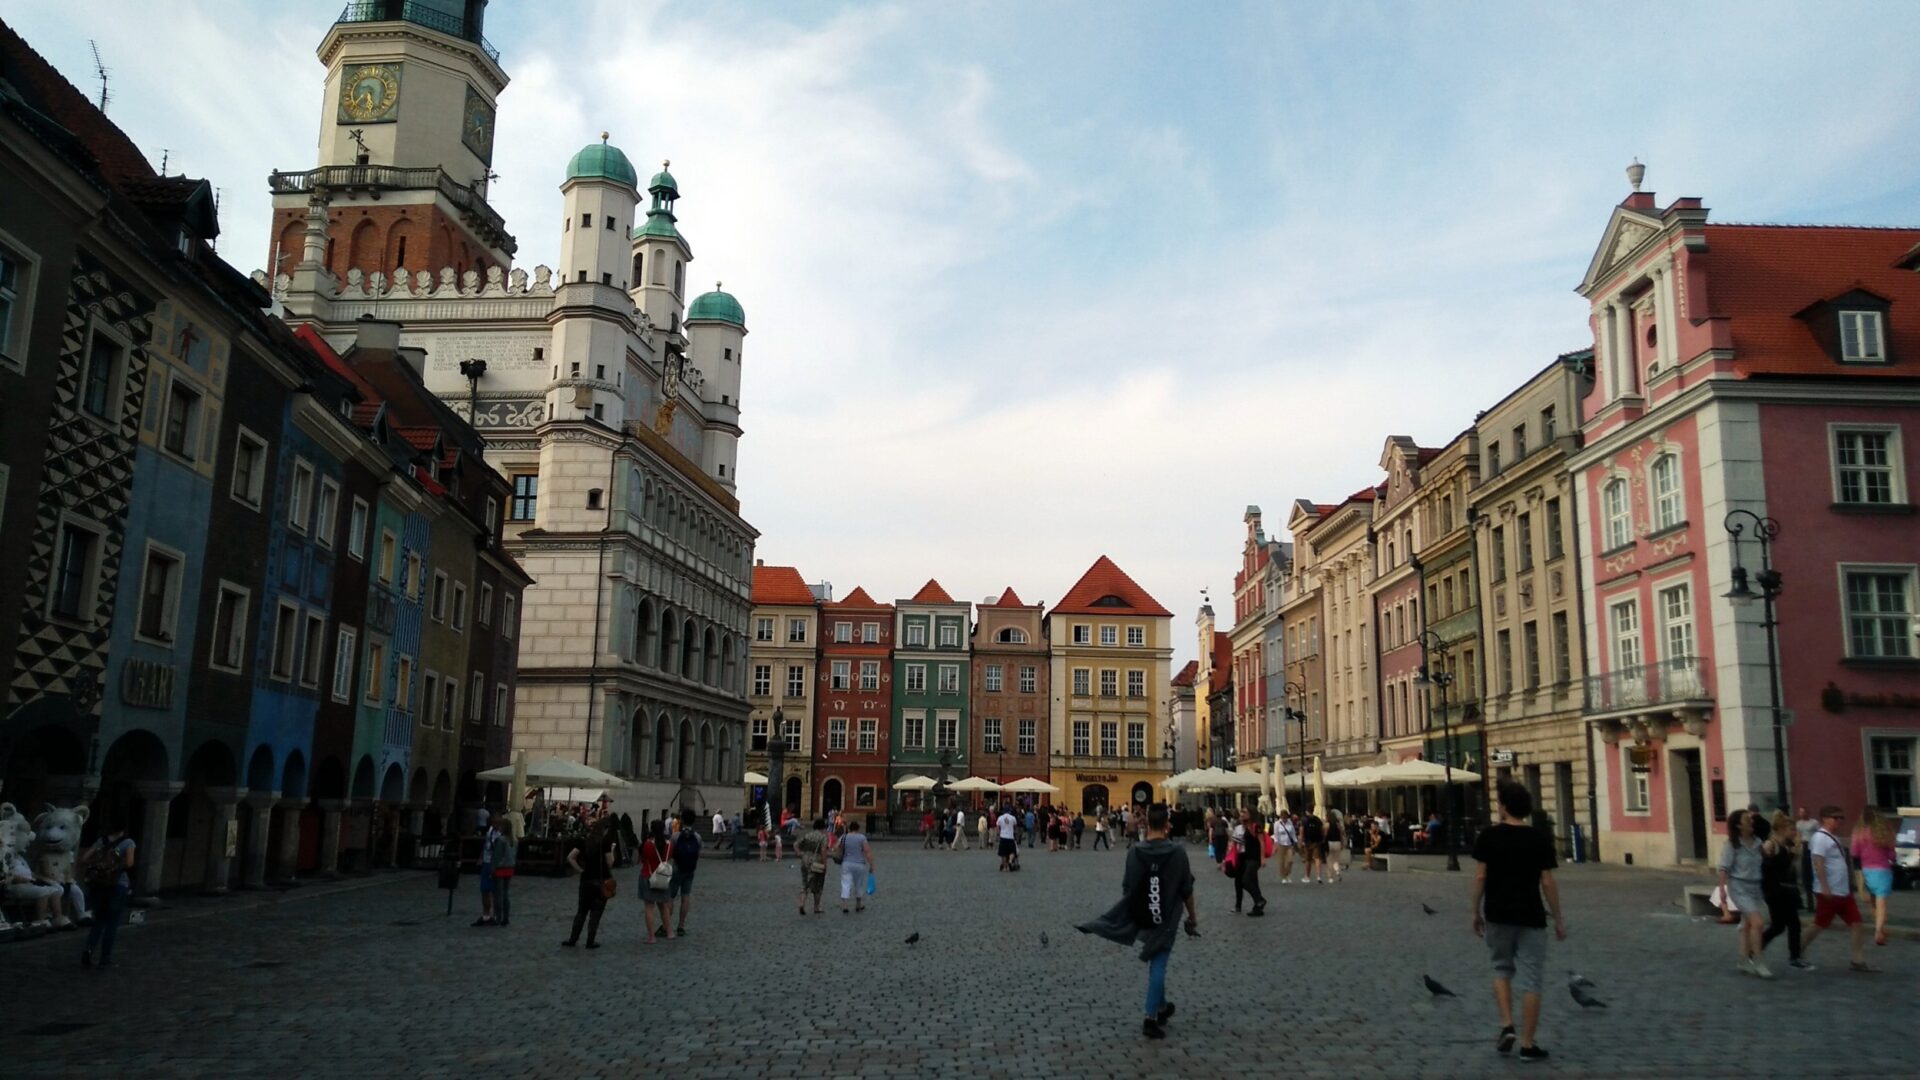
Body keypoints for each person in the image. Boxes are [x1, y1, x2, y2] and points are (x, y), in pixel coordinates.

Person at [1075, 804, 1198, 1040]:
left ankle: (1161, 1007)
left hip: (1144, 913)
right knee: (1159, 961)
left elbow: (1127, 888)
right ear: (1167, 824)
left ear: (1145, 823)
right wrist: (1192, 917)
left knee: (1155, 958)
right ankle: (1150, 1017)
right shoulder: (1178, 853)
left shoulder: (1134, 852)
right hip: (1168, 915)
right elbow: (1187, 889)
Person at [1470, 781, 1566, 1064]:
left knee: (1501, 968)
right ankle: (1527, 1044)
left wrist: (1475, 911)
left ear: (1503, 806)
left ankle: (1507, 1024)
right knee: (1532, 978)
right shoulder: (1538, 838)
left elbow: (1480, 877)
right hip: (1531, 916)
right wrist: (1558, 916)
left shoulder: (1488, 836)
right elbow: (1547, 881)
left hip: (1498, 914)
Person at [1801, 805, 1871, 972]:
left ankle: (1857, 959)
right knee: (1819, 924)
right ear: (1825, 818)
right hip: (1829, 891)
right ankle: (1798, 950)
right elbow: (1818, 861)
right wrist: (1825, 886)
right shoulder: (1820, 838)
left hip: (1843, 891)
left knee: (1856, 923)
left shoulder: (1834, 837)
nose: (1839, 821)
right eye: (1836, 817)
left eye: (1841, 818)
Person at [1717, 809, 1771, 978]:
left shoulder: (1757, 842)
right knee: (1758, 923)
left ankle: (1742, 960)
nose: (1751, 821)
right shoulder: (1732, 845)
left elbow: (1766, 859)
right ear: (1739, 825)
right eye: (1747, 819)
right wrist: (1722, 891)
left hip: (1755, 887)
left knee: (1746, 925)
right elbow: (1723, 868)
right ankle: (1759, 961)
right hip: (1739, 887)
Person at [77, 819, 136, 968]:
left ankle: (88, 950)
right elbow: (129, 863)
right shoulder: (128, 842)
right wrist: (114, 865)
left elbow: (84, 859)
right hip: (118, 884)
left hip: (99, 885)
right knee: (112, 922)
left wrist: (98, 865)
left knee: (99, 920)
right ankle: (105, 958)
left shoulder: (101, 841)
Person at [1758, 810, 1809, 970]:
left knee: (1783, 925)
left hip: (1786, 890)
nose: (1794, 833)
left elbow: (1787, 867)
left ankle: (1757, 949)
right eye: (1792, 830)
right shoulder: (1771, 845)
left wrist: (1795, 851)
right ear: (1782, 829)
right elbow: (1767, 867)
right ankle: (1792, 956)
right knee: (1786, 924)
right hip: (1775, 891)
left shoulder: (1786, 846)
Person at [561, 819, 615, 949]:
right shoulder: (605, 843)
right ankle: (590, 941)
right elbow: (610, 863)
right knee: (596, 914)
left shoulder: (584, 841)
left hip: (586, 880)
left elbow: (570, 857)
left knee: (581, 912)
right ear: (604, 830)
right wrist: (612, 850)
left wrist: (580, 870)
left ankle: (573, 939)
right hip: (601, 881)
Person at [1852, 806, 1897, 948]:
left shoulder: (1859, 833)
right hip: (1883, 870)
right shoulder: (1884, 832)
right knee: (1881, 902)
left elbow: (1855, 854)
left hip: (1867, 870)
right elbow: (1892, 855)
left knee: (1873, 902)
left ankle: (1881, 928)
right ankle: (1878, 931)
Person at [638, 820, 674, 942]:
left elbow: (643, 859)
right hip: (662, 876)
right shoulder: (669, 844)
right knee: (663, 905)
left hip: (648, 875)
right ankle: (669, 932)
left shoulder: (648, 844)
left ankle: (651, 936)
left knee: (649, 907)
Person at [670, 810, 702, 937]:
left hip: (677, 868)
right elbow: (698, 854)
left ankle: (666, 924)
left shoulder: (675, 836)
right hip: (690, 870)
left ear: (682, 820)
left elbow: (670, 853)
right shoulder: (698, 837)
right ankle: (681, 925)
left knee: (670, 897)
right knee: (685, 897)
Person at [1233, 809, 1267, 917]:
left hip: (1255, 858)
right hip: (1247, 857)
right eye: (1241, 812)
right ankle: (1258, 907)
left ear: (1251, 814)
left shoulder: (1256, 826)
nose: (1242, 814)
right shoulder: (1246, 826)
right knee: (1253, 882)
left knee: (1246, 881)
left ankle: (1260, 900)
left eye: (1244, 812)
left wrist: (1262, 858)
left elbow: (1261, 842)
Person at [838, 819, 873, 914]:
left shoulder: (844, 837)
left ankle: (845, 905)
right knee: (859, 884)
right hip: (859, 863)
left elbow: (838, 847)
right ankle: (858, 904)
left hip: (847, 863)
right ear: (858, 828)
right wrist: (871, 864)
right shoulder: (862, 837)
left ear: (849, 828)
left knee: (845, 883)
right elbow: (867, 851)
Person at [489, 814, 517, 928]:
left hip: (500, 868)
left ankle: (497, 917)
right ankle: (506, 917)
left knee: (498, 894)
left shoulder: (501, 840)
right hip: (510, 868)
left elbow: (496, 856)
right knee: (505, 893)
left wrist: (493, 868)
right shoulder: (514, 840)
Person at [796, 817, 829, 915]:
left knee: (805, 883)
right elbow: (823, 851)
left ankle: (802, 903)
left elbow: (796, 844)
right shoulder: (823, 837)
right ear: (823, 827)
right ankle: (816, 907)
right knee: (818, 884)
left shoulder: (807, 834)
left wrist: (799, 853)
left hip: (805, 859)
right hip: (817, 861)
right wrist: (824, 864)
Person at [474, 814, 500, 927]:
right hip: (486, 862)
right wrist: (480, 857)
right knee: (484, 890)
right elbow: (486, 845)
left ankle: (494, 916)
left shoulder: (500, 835)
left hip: (494, 864)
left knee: (493, 891)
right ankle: (485, 915)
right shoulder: (490, 831)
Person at [1300, 810, 1326, 883]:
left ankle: (1307, 876)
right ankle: (1319, 876)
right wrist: (1323, 839)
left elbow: (1302, 831)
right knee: (1317, 859)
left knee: (1308, 860)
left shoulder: (1304, 820)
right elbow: (1322, 830)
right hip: (1317, 841)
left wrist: (1301, 841)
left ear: (1307, 811)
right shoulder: (1318, 820)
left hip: (1307, 841)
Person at [1273, 809, 1298, 884]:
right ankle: (1283, 877)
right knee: (1282, 861)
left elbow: (1293, 833)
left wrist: (1295, 842)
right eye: (1283, 817)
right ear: (1281, 817)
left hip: (1289, 844)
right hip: (1281, 844)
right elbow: (1276, 834)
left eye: (1285, 817)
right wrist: (1276, 843)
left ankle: (1287, 874)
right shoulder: (1277, 823)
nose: (1284, 819)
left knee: (1290, 861)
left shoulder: (1290, 823)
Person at [996, 804, 1020, 872]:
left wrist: (999, 833)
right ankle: (1010, 861)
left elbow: (998, 827)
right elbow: (1015, 826)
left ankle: (1005, 866)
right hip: (1010, 837)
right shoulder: (1013, 818)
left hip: (1003, 837)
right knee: (1012, 851)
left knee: (1003, 853)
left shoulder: (1000, 818)